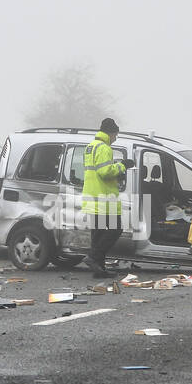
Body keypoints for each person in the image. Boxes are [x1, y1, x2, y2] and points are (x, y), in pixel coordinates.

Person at [82, 117, 132, 274]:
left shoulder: (90, 147)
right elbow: (104, 172)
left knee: (98, 235)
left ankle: (99, 269)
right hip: (103, 198)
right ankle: (92, 256)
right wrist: (123, 165)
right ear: (110, 133)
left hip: (92, 197)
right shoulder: (104, 148)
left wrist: (115, 166)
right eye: (115, 135)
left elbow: (96, 170)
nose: (116, 138)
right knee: (115, 229)